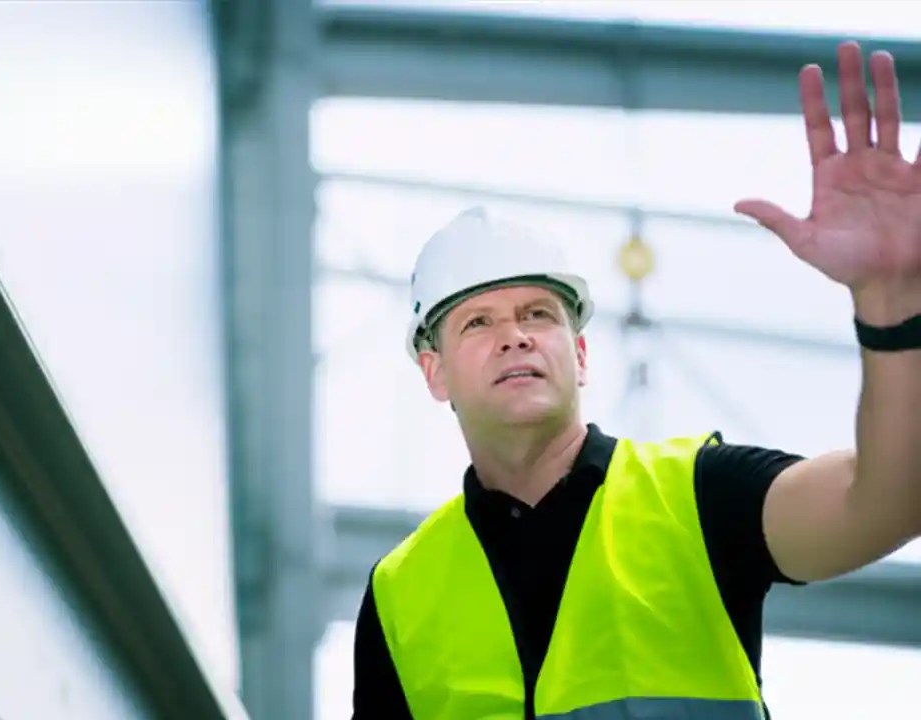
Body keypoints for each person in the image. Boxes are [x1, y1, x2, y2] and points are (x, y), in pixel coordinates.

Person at [351, 40, 921, 719]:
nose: (515, 335)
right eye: (478, 322)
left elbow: (888, 501)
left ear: (580, 354)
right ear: (434, 371)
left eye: (538, 313)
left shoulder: (699, 497)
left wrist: (892, 308)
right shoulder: (398, 592)